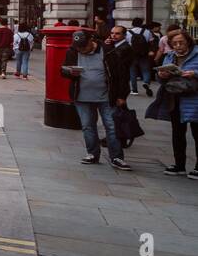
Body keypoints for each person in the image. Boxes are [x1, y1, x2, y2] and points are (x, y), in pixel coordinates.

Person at [61, 29, 131, 170]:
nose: (81, 50)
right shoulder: (73, 51)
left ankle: (116, 157)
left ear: (91, 41)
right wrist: (70, 72)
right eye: (78, 47)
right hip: (82, 97)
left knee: (111, 126)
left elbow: (121, 75)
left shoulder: (108, 52)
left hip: (106, 96)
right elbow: (64, 70)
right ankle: (92, 154)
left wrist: (122, 95)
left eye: (83, 46)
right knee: (88, 126)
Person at [148, 29, 198, 178]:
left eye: (181, 42)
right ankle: (179, 165)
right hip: (174, 99)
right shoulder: (170, 56)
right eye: (174, 43)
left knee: (197, 134)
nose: (177, 46)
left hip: (194, 99)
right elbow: (162, 80)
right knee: (177, 133)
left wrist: (194, 73)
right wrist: (161, 75)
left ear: (188, 41)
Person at [125, 18, 154, 96]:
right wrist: (151, 51)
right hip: (144, 53)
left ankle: (134, 90)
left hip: (131, 54)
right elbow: (151, 42)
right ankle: (146, 82)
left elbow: (126, 43)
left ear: (132, 24)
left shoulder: (128, 32)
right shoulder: (147, 31)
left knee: (132, 72)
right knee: (146, 70)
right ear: (141, 23)